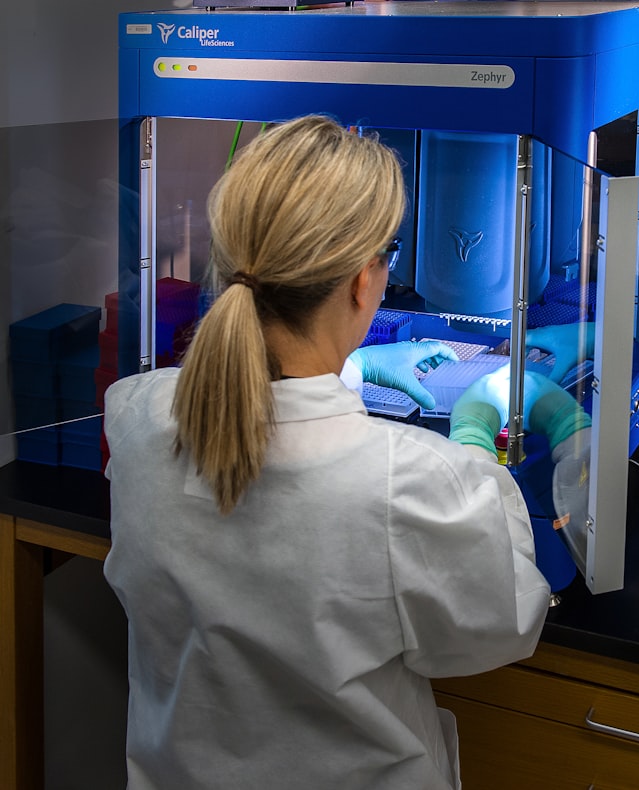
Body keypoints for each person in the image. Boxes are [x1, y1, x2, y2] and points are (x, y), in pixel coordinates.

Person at [102, 114, 555, 789]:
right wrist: (472, 435)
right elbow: (504, 625)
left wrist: (354, 367)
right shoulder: (416, 483)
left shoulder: (137, 418)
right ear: (362, 281)